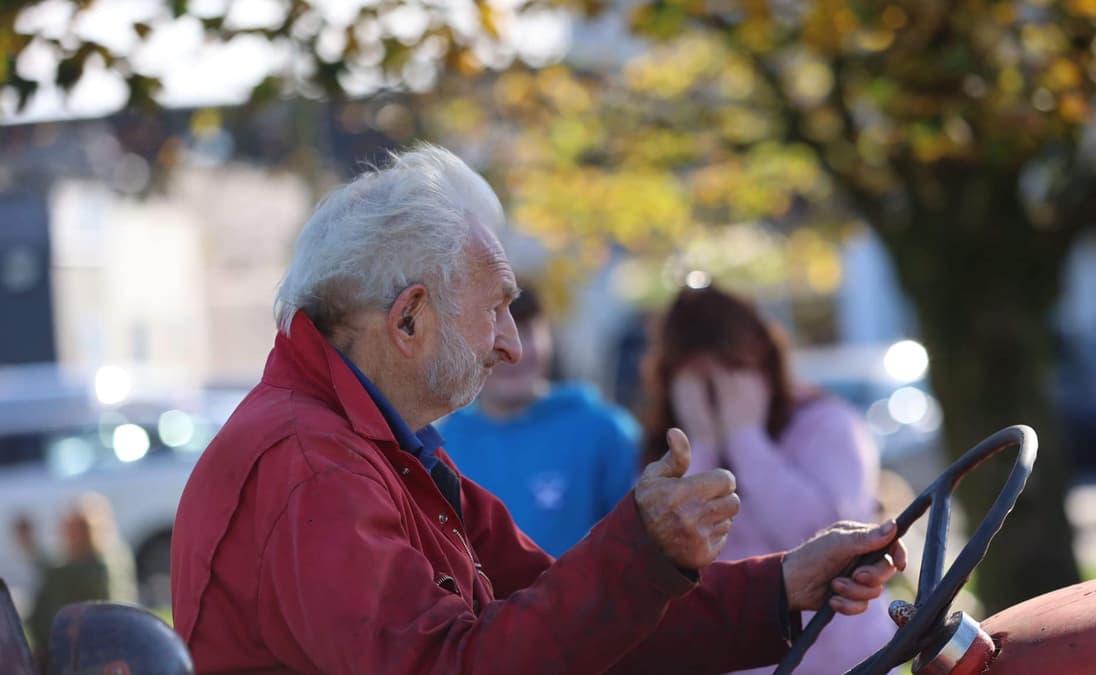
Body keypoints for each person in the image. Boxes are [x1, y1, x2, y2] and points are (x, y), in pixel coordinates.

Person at [170, 144, 905, 674]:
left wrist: (781, 584)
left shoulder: (377, 447)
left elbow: (566, 612)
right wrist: (644, 547)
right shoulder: (314, 465)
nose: (514, 346)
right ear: (408, 321)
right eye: (496, 309)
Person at [642, 284, 899, 675]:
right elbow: (668, 559)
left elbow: (830, 543)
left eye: (734, 372)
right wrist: (704, 448)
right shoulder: (661, 456)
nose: (721, 396)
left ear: (763, 366)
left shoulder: (828, 426)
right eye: (701, 382)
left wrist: (747, 441)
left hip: (852, 664)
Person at [437, 285, 640, 556]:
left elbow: (637, 548)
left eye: (527, 331)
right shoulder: (443, 445)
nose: (514, 352)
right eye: (496, 335)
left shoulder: (607, 431)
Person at [12, 493, 137, 667]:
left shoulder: (101, 565)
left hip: (90, 649)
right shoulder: (80, 562)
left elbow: (61, 575)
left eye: (73, 531)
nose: (66, 537)